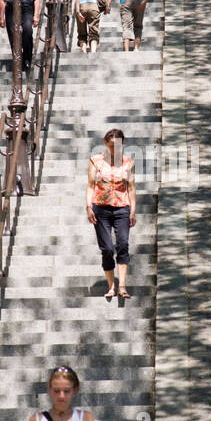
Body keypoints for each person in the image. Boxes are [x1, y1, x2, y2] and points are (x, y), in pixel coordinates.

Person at [86, 128, 136, 299]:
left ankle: (122, 286)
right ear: (105, 143)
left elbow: (131, 188)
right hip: (101, 208)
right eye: (112, 145)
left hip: (122, 208)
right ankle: (111, 286)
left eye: (119, 145)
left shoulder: (128, 163)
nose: (115, 149)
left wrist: (133, 210)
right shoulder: (96, 161)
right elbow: (91, 186)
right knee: (107, 248)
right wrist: (88, 206)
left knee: (122, 244)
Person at [0, 0, 41, 73]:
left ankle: (28, 56)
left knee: (27, 30)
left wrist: (36, 15)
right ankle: (19, 60)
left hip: (27, 8)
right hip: (11, 9)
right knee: (13, 35)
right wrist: (1, 17)